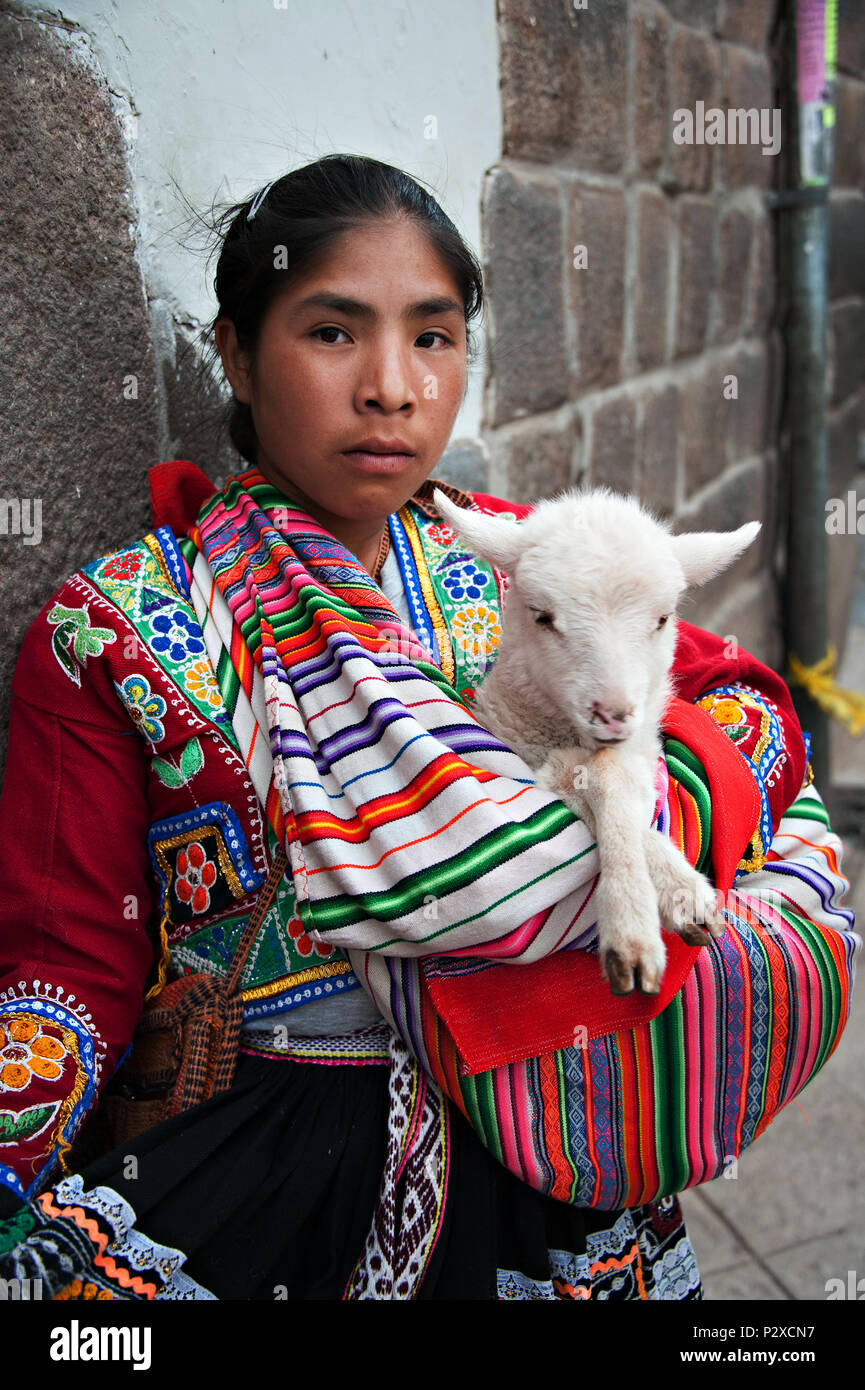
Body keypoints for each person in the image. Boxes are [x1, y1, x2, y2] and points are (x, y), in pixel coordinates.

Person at [0, 154, 857, 1301]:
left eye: (435, 336)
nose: (392, 388)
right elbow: (64, 964)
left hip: (543, 1124)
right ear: (237, 355)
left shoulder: (523, 560)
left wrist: (635, 813)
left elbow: (743, 711)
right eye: (334, 332)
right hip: (270, 1158)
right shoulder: (115, 634)